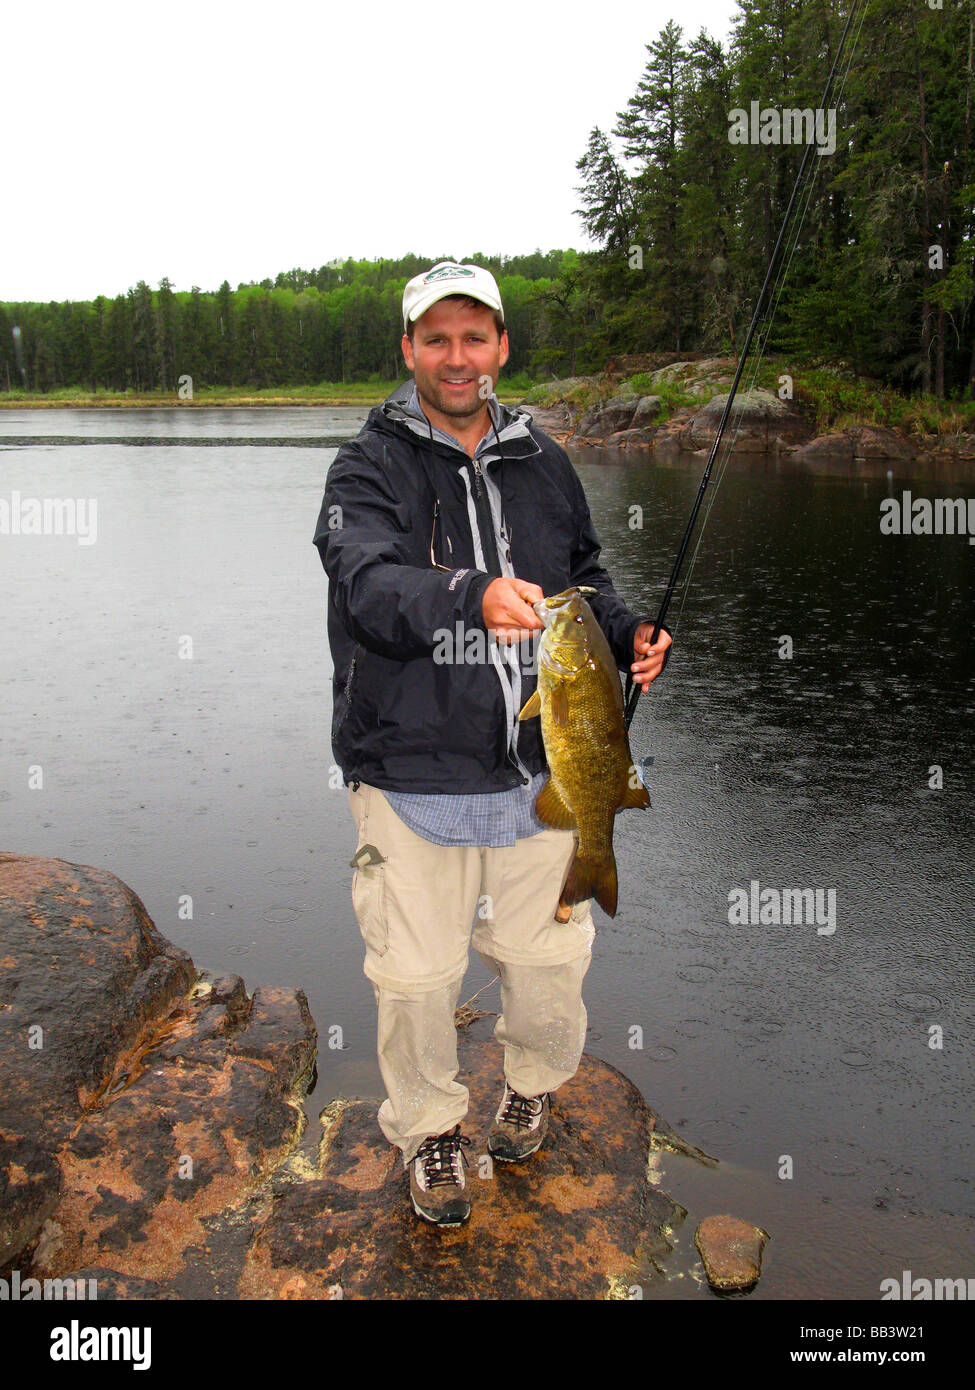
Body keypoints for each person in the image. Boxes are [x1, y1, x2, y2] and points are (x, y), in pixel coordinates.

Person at [312, 260, 672, 1226]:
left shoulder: (544, 461)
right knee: (415, 981)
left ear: (502, 347)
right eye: (438, 339)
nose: (458, 357)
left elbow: (583, 578)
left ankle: (532, 1085)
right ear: (409, 351)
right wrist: (467, 594)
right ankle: (430, 1130)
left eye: (476, 338)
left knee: (549, 967)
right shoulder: (366, 468)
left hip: (543, 775)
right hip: (408, 773)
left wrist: (629, 628)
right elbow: (367, 584)